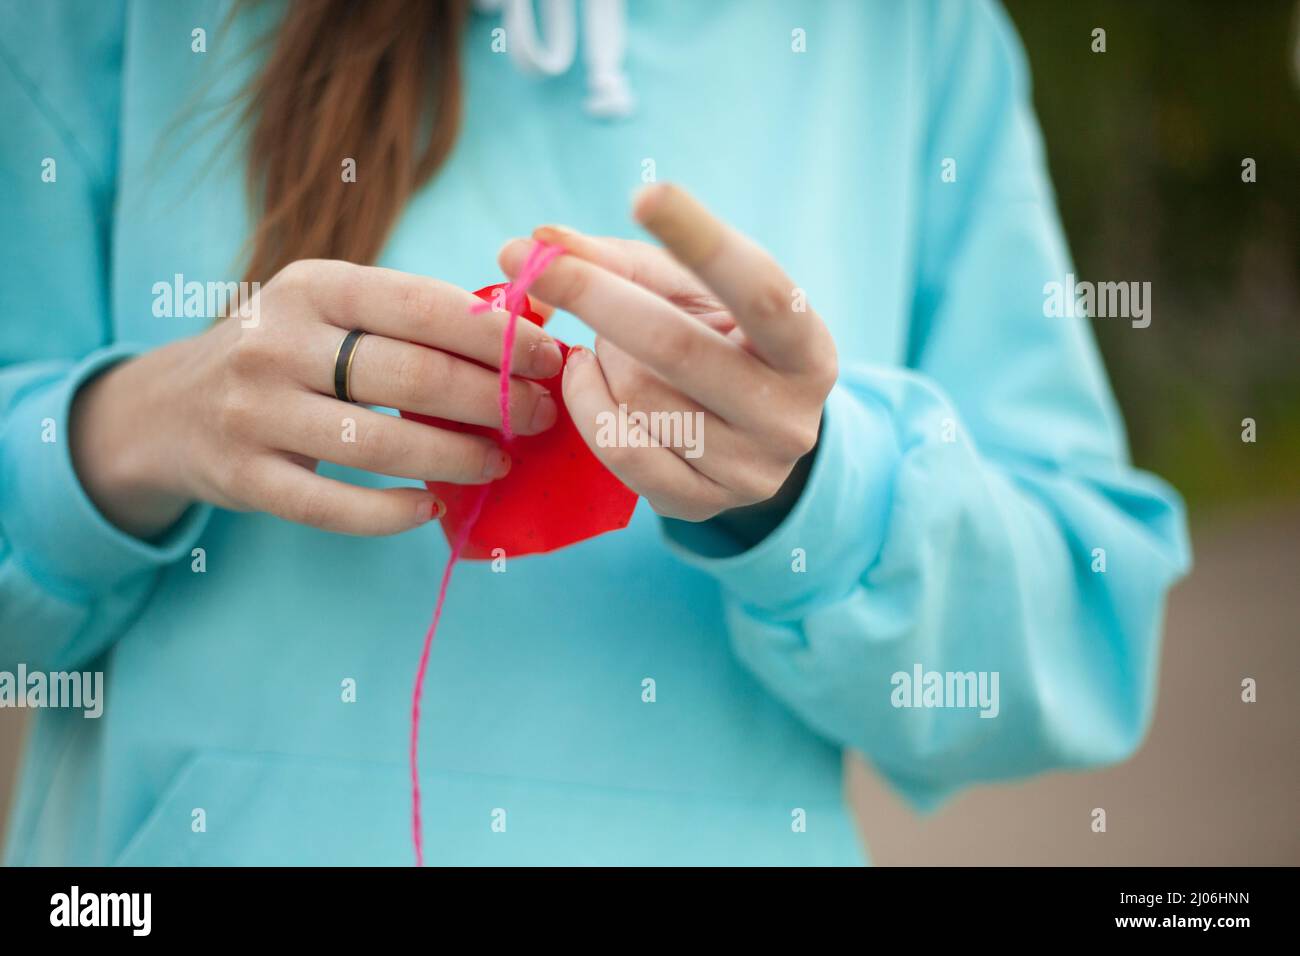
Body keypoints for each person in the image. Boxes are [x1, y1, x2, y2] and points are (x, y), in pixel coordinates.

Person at [0, 0, 1190, 865]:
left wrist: (816, 492)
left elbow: (1087, 637)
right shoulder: (90, 26)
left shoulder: (909, 39)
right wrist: (123, 433)